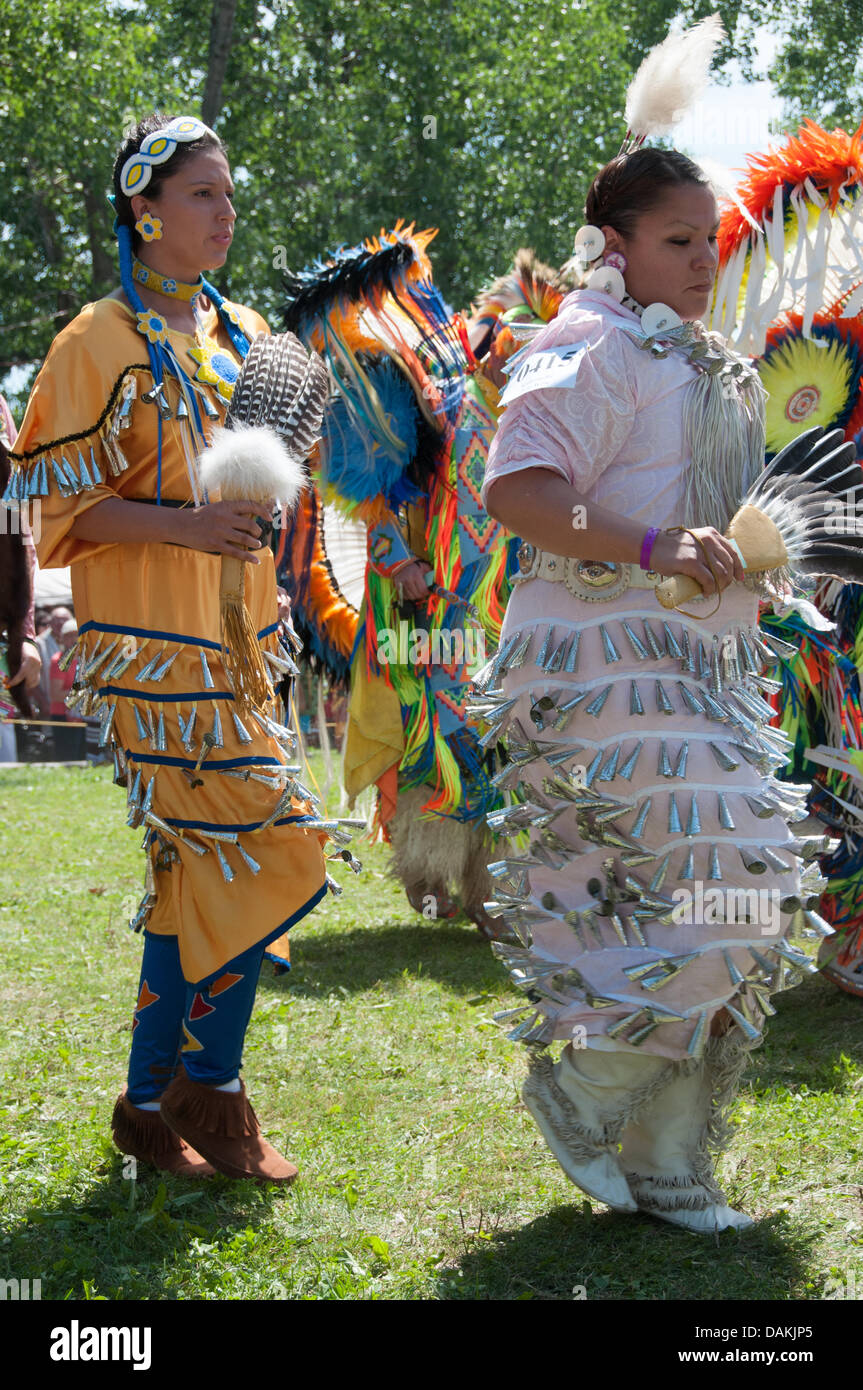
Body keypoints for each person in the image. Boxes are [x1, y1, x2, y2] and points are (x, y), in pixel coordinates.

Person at [475, 20, 830, 1233]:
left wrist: (760, 567)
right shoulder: (584, 347)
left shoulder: (702, 364)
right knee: (719, 876)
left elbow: (704, 513)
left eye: (707, 241)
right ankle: (586, 1084)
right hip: (599, 665)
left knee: (747, 889)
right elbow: (514, 490)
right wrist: (650, 547)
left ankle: (671, 1162)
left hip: (699, 665)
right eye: (676, 240)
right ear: (612, 245)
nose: (698, 259)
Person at [6, 113, 335, 1183]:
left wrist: (274, 556)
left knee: (192, 869)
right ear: (143, 212)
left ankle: (153, 1107)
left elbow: (272, 489)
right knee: (274, 840)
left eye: (228, 195)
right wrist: (187, 525)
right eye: (201, 194)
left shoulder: (241, 333)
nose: (223, 213)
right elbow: (57, 513)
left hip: (241, 643)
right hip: (146, 646)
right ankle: (215, 1087)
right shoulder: (92, 341)